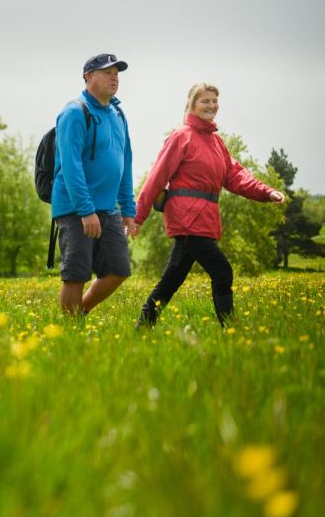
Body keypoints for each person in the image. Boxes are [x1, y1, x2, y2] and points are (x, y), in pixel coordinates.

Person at [133, 83, 285, 327]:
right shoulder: (180, 136)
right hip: (187, 219)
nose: (212, 105)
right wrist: (137, 217)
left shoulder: (216, 142)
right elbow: (157, 177)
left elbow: (236, 177)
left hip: (205, 218)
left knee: (172, 278)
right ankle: (230, 330)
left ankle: (143, 325)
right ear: (192, 104)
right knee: (222, 271)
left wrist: (267, 192)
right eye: (205, 101)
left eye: (215, 101)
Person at [51, 53, 138, 316]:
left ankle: (77, 315)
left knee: (119, 270)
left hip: (108, 208)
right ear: (88, 77)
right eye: (107, 72)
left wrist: (128, 209)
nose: (114, 77)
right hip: (76, 208)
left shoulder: (118, 114)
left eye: (117, 73)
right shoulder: (74, 113)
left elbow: (125, 163)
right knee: (76, 275)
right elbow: (70, 166)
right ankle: (69, 333)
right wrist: (86, 210)